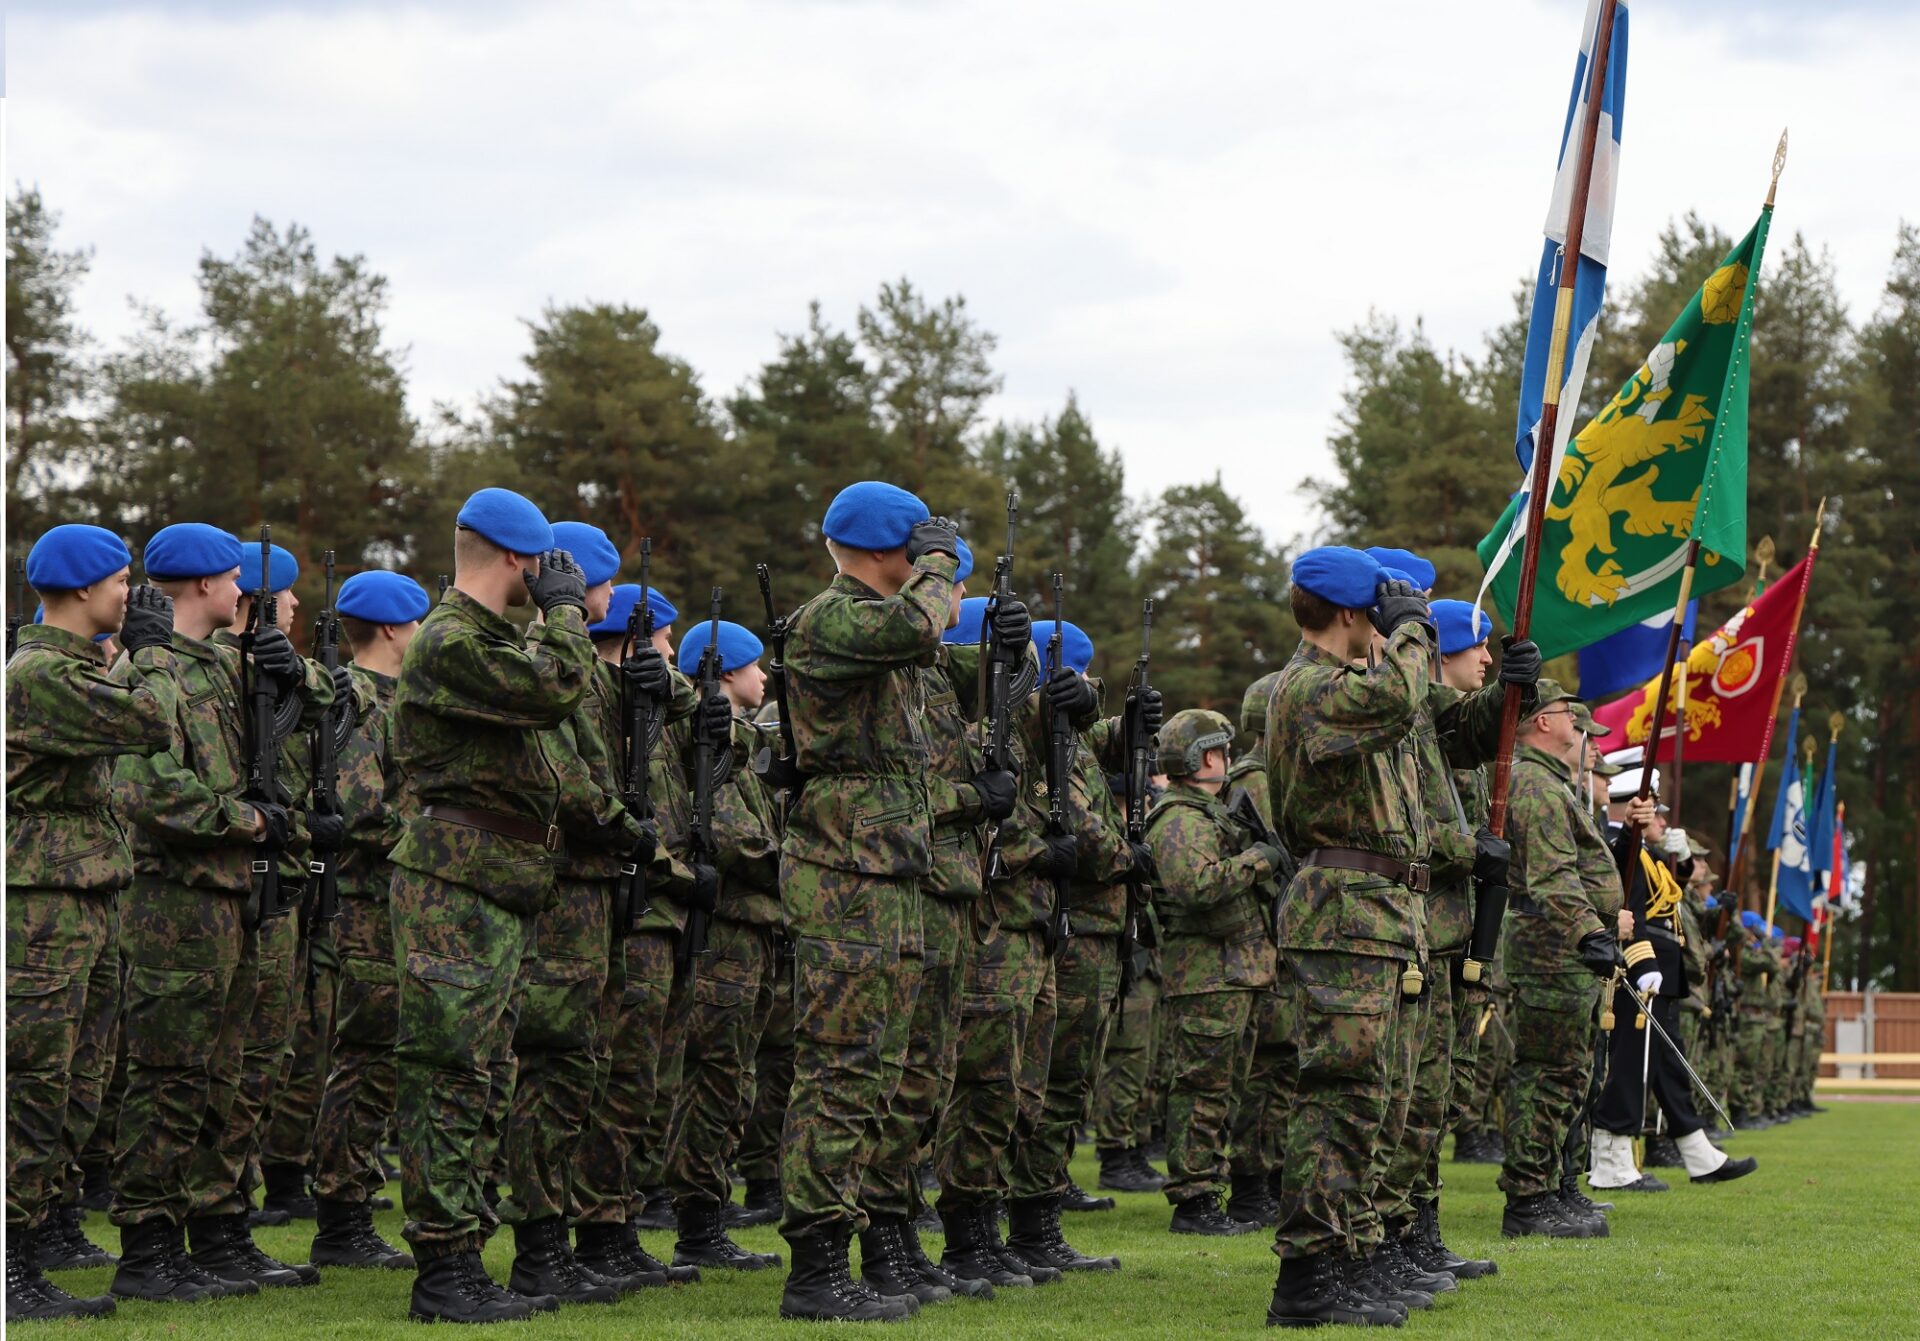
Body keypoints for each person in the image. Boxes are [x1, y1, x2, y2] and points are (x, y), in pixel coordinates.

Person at [1263, 546, 1526, 1328]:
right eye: (1380, 614)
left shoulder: (1356, 687)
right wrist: (1414, 629)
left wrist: (1515, 690)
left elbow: (1439, 723)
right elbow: (1399, 694)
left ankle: (1349, 1256)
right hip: (1345, 912)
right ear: (1352, 615)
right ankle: (1308, 1277)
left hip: (1380, 916)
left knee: (1374, 1100)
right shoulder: (1312, 688)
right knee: (1340, 1096)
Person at [387, 487, 596, 1323]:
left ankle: (465, 1257)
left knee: (481, 1074)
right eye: (545, 565)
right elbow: (556, 687)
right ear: (520, 559)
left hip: (495, 875)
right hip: (455, 875)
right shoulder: (447, 640)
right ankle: (441, 1268)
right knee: (447, 1071)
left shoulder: (486, 641)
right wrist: (568, 614)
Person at [111, 522, 333, 1300]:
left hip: (235, 895)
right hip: (177, 899)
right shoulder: (154, 669)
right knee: (170, 1074)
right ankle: (147, 1242)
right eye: (236, 578)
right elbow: (145, 790)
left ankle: (215, 1225)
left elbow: (327, 717)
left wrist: (296, 677)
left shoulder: (224, 662)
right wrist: (254, 822)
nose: (248, 593)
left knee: (230, 1075)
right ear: (207, 584)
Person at [775, 481, 959, 1322]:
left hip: (888, 868)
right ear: (892, 550)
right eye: (916, 546)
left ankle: (871, 1240)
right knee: (842, 1065)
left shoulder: (882, 634)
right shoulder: (831, 616)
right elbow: (918, 622)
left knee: (885, 1069)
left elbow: (932, 643)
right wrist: (942, 562)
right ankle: (816, 1268)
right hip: (847, 870)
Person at [6, 525, 178, 1321]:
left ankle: (36, 1238)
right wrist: (153, 652)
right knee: (31, 1084)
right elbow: (150, 723)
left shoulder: (76, 666)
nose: (130, 596)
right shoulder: (41, 673)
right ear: (81, 590)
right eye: (119, 582)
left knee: (76, 1083)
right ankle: (8, 1261)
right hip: (39, 903)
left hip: (81, 896)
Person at [857, 562, 1016, 1304]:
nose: (958, 599)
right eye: (954, 585)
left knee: (930, 1076)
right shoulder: (890, 663)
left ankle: (899, 1225)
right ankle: (880, 1231)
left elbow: (1001, 685)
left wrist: (1018, 654)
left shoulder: (931, 670)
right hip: (916, 881)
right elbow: (899, 789)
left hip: (952, 886)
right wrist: (970, 798)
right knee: (902, 1072)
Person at [1372, 587, 1513, 1289]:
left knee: (1433, 1095)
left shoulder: (1432, 723)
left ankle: (1419, 1230)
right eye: (1478, 646)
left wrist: (1523, 682)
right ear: (1439, 650)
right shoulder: (1397, 718)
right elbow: (1407, 824)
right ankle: (1393, 1235)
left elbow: (1475, 729)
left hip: (1445, 933)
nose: (1486, 657)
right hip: (1413, 930)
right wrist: (1467, 848)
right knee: (1409, 1093)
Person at [569, 581, 700, 1290]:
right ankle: (597, 1227)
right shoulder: (595, 701)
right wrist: (678, 871)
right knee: (618, 1077)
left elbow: (720, 742)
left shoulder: (655, 707)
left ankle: (615, 1224)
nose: (672, 648)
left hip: (663, 910)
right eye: (661, 636)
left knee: (646, 1080)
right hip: (633, 908)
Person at [308, 569, 430, 1269]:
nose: (421, 638)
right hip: (366, 905)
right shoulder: (357, 699)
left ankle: (351, 1203)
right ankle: (342, 1214)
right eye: (415, 625)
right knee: (365, 1061)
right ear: (390, 629)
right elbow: (359, 810)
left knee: (383, 1061)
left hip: (399, 902)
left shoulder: (401, 700)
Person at [665, 618, 788, 1274]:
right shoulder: (712, 752)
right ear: (725, 673)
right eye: (752, 666)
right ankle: (698, 1223)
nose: (762, 676)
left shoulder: (739, 750)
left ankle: (705, 1216)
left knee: (733, 1078)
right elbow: (738, 842)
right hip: (726, 937)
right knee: (714, 1078)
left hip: (756, 933)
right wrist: (804, 862)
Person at [1146, 709, 1285, 1238]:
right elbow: (1196, 887)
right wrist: (1258, 860)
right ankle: (1193, 1200)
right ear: (1205, 756)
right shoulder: (1180, 819)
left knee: (1224, 1090)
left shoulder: (1211, 814)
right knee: (1201, 1090)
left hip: (1234, 972)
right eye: (1221, 751)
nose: (1227, 760)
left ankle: (1209, 1191)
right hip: (1207, 975)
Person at [1590, 760, 1756, 1192]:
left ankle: (1699, 1153)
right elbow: (1629, 903)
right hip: (1637, 966)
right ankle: (1611, 1162)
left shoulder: (1645, 853)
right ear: (1631, 808)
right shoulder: (1614, 843)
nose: (1662, 820)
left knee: (1666, 1067)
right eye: (1653, 810)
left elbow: (1669, 894)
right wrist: (1641, 960)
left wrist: (1680, 859)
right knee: (1629, 1065)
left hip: (1662, 969)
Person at [1498, 680, 1625, 1241]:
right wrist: (1589, 934)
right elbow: (1552, 878)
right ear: (1543, 722)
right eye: (1573, 719)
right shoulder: (1537, 786)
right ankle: (1529, 1199)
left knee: (1569, 1077)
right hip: (1553, 951)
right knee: (1549, 1078)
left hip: (1564, 950)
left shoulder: (1548, 783)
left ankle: (1550, 1186)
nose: (1583, 732)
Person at [1221, 671, 1286, 1228]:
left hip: (1279, 938)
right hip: (1268, 938)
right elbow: (1280, 859)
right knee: (1266, 1071)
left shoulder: (1268, 774)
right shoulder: (1259, 779)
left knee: (1282, 1067)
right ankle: (1250, 1184)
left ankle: (1269, 1179)